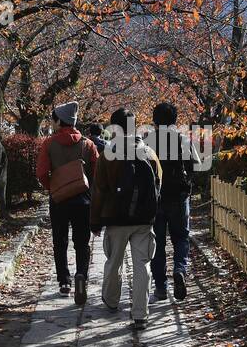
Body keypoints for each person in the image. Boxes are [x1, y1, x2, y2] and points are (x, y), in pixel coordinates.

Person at [90, 108, 162, 330]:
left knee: (114, 261)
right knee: (143, 264)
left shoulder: (108, 154)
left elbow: (99, 190)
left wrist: (95, 220)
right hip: (143, 220)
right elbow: (158, 184)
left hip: (115, 218)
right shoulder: (149, 153)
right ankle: (140, 313)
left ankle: (112, 301)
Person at [36, 101, 98, 305]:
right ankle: (82, 274)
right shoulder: (88, 144)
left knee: (59, 240)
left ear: (58, 121)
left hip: (59, 199)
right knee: (82, 241)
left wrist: (53, 187)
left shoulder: (49, 143)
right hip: (83, 198)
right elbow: (96, 174)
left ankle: (64, 281)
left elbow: (42, 173)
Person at [149, 101, 199, 301]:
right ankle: (180, 269)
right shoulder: (182, 140)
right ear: (175, 119)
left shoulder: (149, 140)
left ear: (154, 120)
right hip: (178, 196)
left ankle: (160, 286)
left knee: (157, 242)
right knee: (181, 237)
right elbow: (195, 165)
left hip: (156, 198)